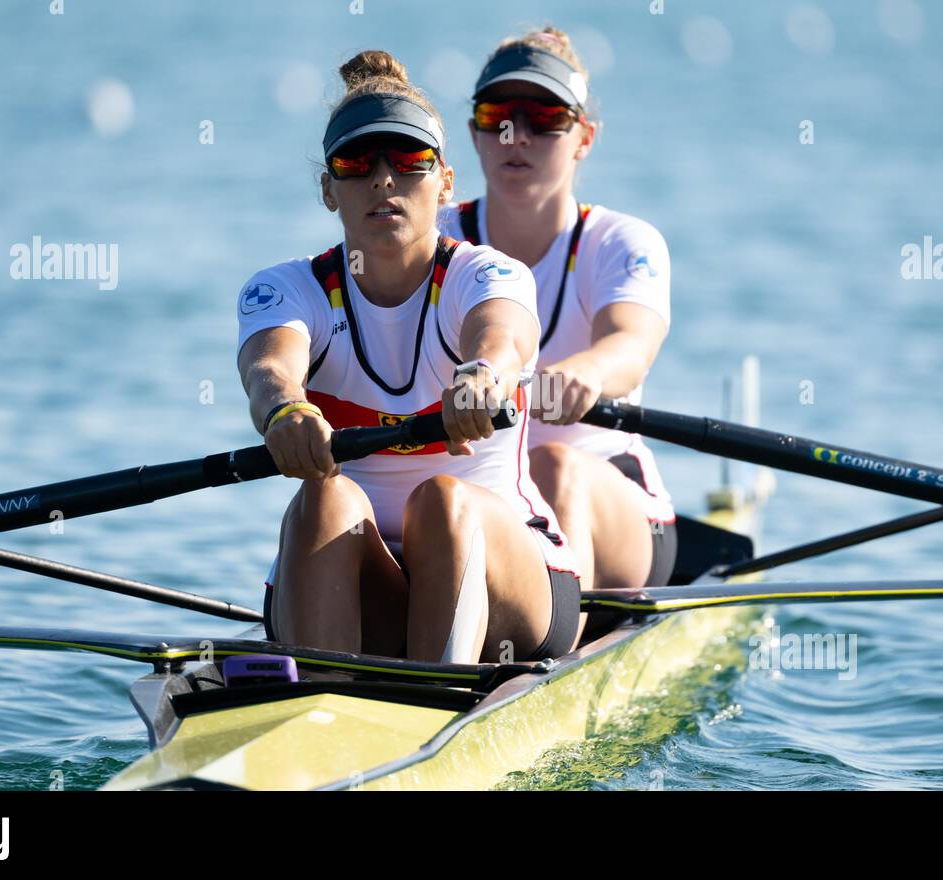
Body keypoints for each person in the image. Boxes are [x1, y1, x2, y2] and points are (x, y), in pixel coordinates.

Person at [237, 50, 580, 664]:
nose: (384, 179)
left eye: (409, 159)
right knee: (324, 496)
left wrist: (482, 377)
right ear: (328, 189)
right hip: (367, 581)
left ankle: (432, 705)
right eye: (356, 163)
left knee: (442, 499)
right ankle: (317, 709)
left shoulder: (486, 274)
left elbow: (502, 339)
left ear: (445, 180)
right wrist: (284, 412)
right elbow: (269, 368)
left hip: (514, 586)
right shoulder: (289, 289)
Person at [439, 28, 676, 595]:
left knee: (554, 465)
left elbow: (630, 346)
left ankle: (554, 656)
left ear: (583, 137)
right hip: (480, 492)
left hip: (609, 498)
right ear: (474, 132)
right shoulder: (435, 239)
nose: (514, 134)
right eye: (497, 113)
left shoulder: (621, 241)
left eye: (544, 117)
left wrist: (587, 373)